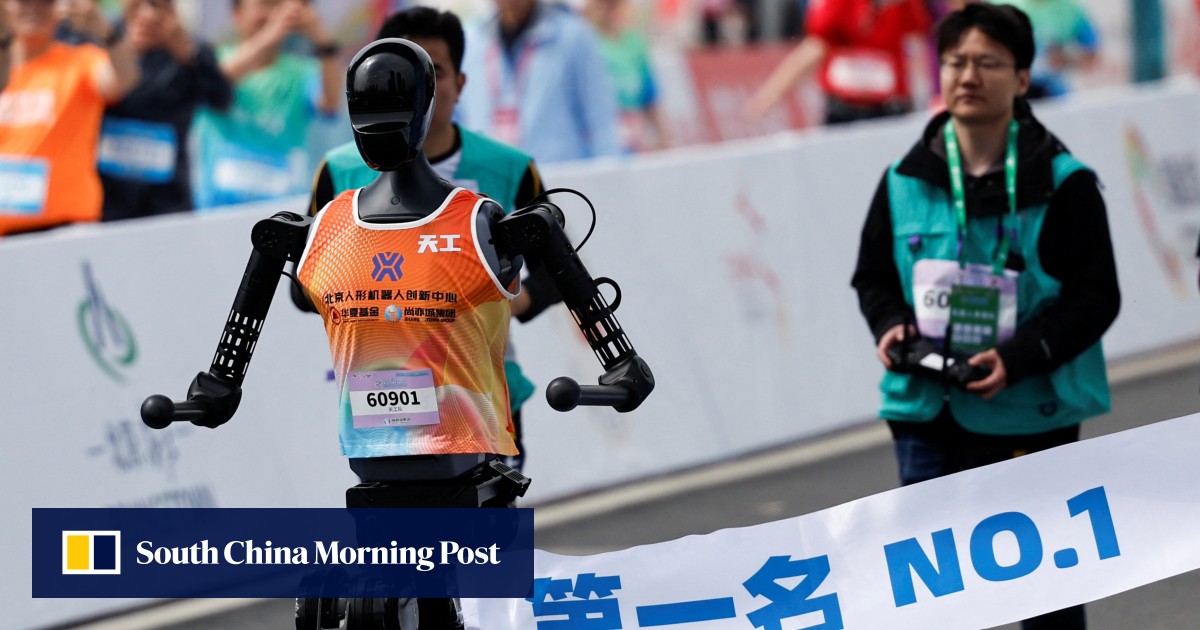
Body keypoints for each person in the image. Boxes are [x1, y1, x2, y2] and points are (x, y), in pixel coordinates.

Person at [851, 5, 1118, 628]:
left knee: (1046, 591)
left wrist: (1019, 357)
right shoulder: (902, 179)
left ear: (1022, 78)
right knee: (932, 598)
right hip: (925, 410)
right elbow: (873, 277)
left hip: (1028, 410)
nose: (968, 76)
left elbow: (1095, 296)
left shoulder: (1064, 182)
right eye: (955, 62)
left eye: (988, 63)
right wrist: (890, 325)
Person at [304, 6, 561, 471]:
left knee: (486, 516)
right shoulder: (338, 171)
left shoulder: (510, 167)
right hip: (379, 399)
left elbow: (555, 272)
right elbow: (302, 285)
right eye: (396, 75)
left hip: (484, 392)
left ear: (460, 83)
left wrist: (492, 298)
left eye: (432, 72)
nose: (413, 90)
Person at [0, 0, 138, 237]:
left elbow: (125, 79)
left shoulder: (80, 62)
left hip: (66, 229)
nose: (33, 8)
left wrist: (106, 33)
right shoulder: (5, 71)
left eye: (45, 2)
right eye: (23, 1)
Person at [190, 0, 340, 210]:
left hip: (282, 211)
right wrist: (270, 35)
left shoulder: (302, 72)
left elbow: (330, 105)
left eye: (278, 5)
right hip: (215, 210)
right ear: (237, 15)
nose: (273, 14)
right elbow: (211, 84)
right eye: (265, 4)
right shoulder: (214, 60)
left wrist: (324, 43)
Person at [98, 0, 232, 221]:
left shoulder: (190, 47)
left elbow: (222, 100)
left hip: (168, 201)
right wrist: (124, 52)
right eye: (139, 4)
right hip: (106, 198)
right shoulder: (102, 39)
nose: (148, 13)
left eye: (155, 4)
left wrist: (191, 56)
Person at [457, 0, 621, 164]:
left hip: (557, 173)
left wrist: (610, 173)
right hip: (488, 174)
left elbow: (601, 122)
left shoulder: (573, 37)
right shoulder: (471, 43)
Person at [745, 0, 930, 124]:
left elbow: (917, 44)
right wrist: (771, 93)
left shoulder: (905, 5)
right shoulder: (839, 4)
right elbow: (815, 48)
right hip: (843, 112)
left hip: (889, 110)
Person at [583, 0, 669, 152]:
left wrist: (662, 136)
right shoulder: (587, 43)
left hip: (633, 131)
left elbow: (649, 94)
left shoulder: (634, 43)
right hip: (600, 133)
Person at [994, 0, 1097, 99]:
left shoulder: (1070, 10)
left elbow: (1092, 55)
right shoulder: (998, 7)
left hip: (1052, 91)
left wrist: (1066, 59)